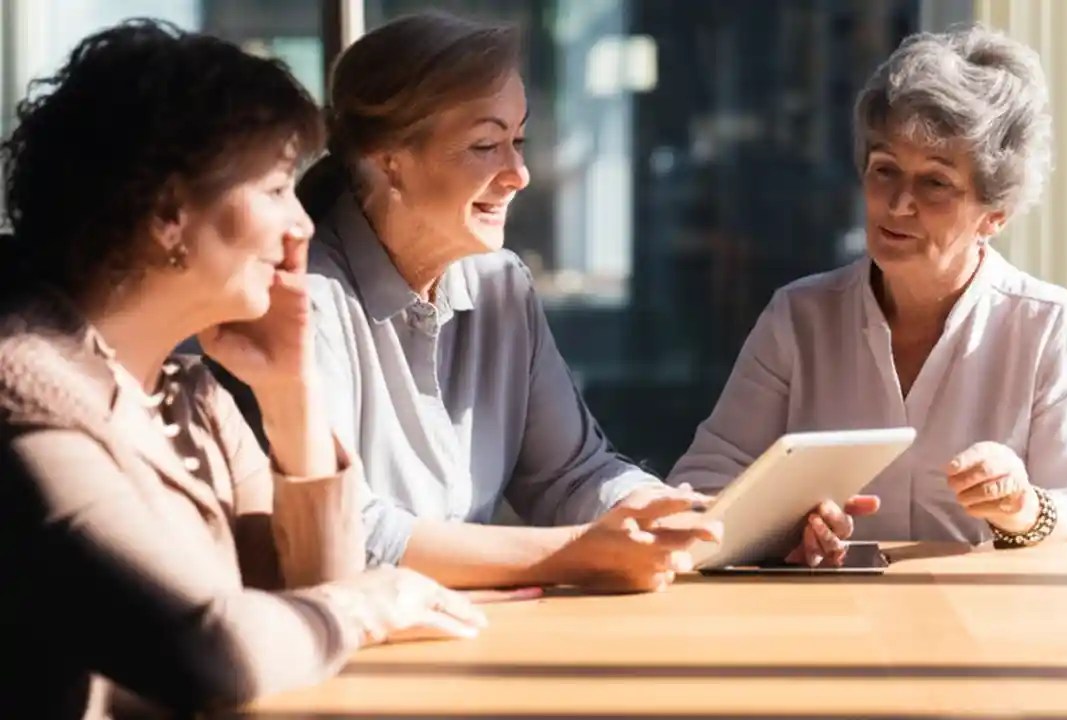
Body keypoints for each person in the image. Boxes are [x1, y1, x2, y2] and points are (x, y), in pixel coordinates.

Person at [0, 21, 487, 718]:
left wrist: (289, 395)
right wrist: (366, 604)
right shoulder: (24, 391)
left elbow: (308, 598)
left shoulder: (186, 391)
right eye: (275, 190)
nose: (304, 225)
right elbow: (208, 653)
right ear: (169, 213)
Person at [223, 9, 720, 593]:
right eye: (486, 145)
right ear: (390, 161)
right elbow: (355, 537)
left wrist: (669, 518)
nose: (519, 174)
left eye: (518, 139)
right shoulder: (302, 302)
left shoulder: (500, 284)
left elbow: (572, 473)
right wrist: (574, 553)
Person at [669, 24, 1067, 566]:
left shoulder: (1050, 328)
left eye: (935, 183)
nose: (897, 205)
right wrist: (782, 528)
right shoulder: (799, 319)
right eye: (885, 171)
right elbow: (700, 489)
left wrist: (1025, 509)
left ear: (995, 214)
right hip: (828, 633)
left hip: (988, 636)